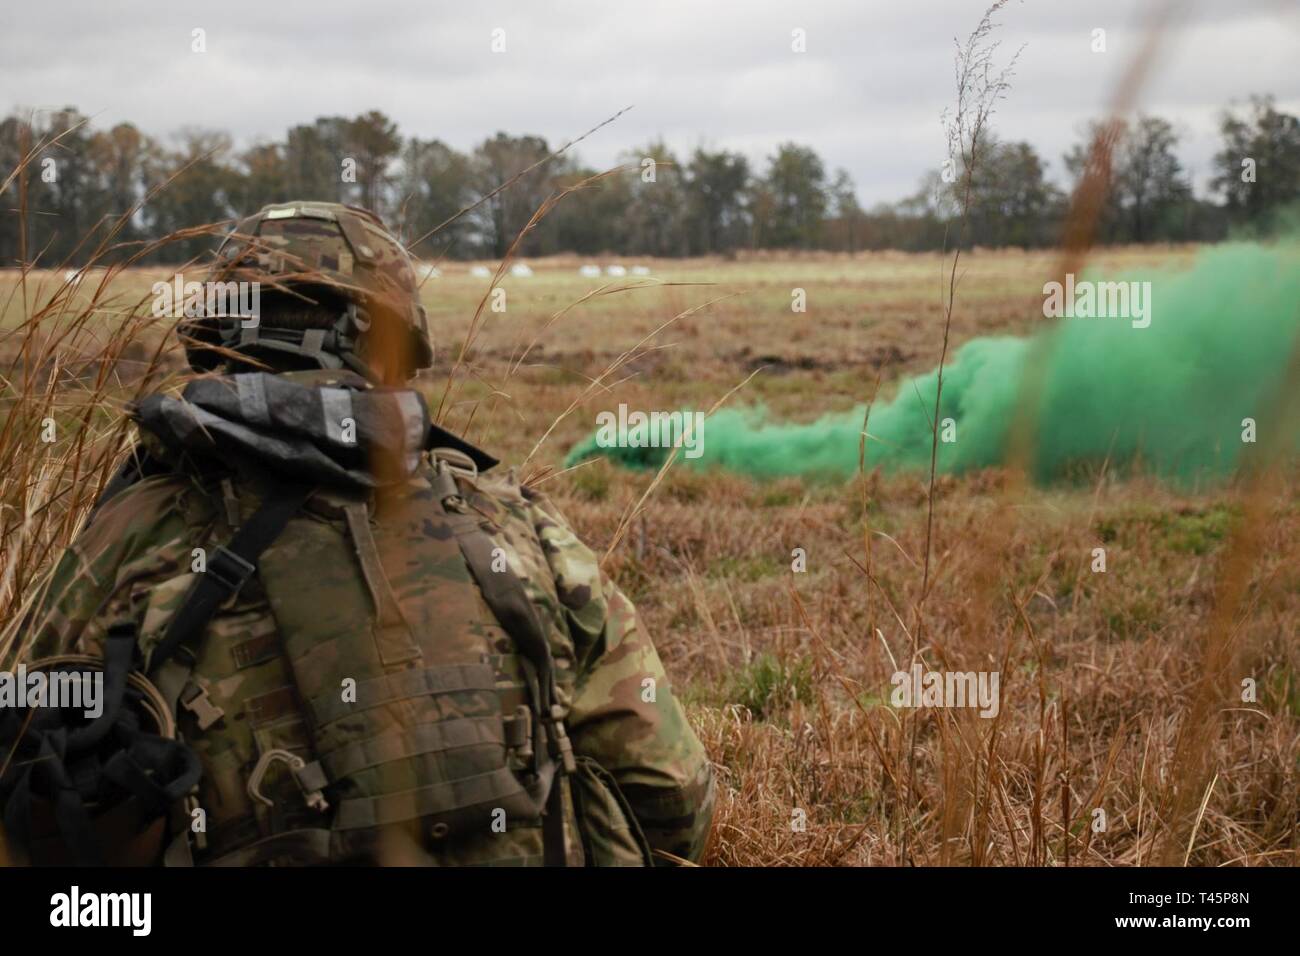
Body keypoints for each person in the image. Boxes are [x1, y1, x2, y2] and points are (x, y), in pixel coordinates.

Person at [4, 201, 714, 867]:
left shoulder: (125, 537)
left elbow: (28, 782)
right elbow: (669, 793)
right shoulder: (513, 521)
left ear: (219, 337)